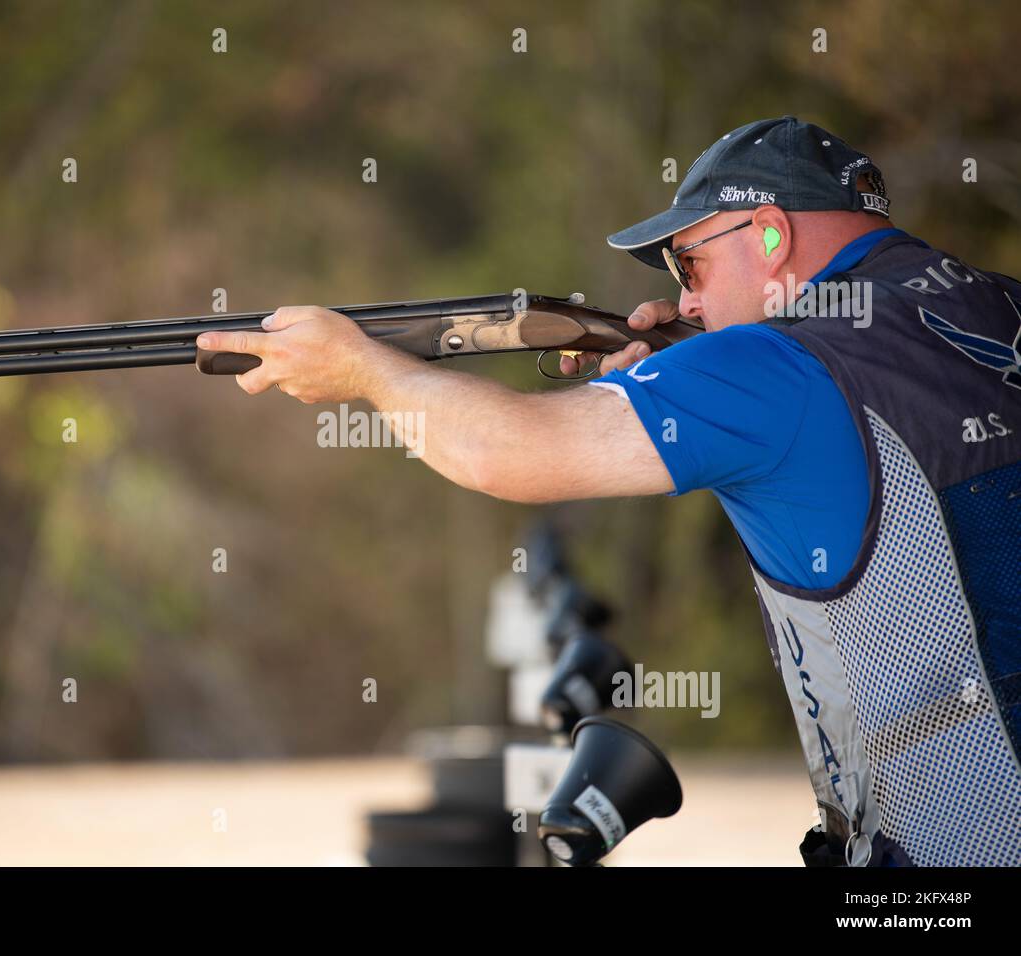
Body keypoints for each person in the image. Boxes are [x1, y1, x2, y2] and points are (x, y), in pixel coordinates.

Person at [195, 116, 1021, 866]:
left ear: (770, 236)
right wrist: (670, 390)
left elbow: (504, 453)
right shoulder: (997, 307)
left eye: (689, 261)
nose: (684, 297)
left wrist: (362, 370)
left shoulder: (770, 368)